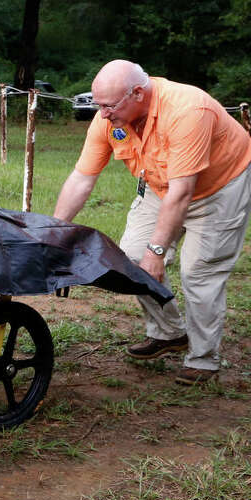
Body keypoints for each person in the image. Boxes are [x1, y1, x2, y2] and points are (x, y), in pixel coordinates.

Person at [53, 60, 251, 386]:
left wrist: (157, 252)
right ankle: (170, 333)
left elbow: (183, 191)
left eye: (109, 106)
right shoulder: (109, 119)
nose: (102, 114)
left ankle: (203, 360)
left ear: (138, 93)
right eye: (98, 105)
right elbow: (82, 178)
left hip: (218, 190)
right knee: (132, 260)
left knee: (198, 272)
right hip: (159, 187)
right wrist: (54, 231)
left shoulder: (188, 110)